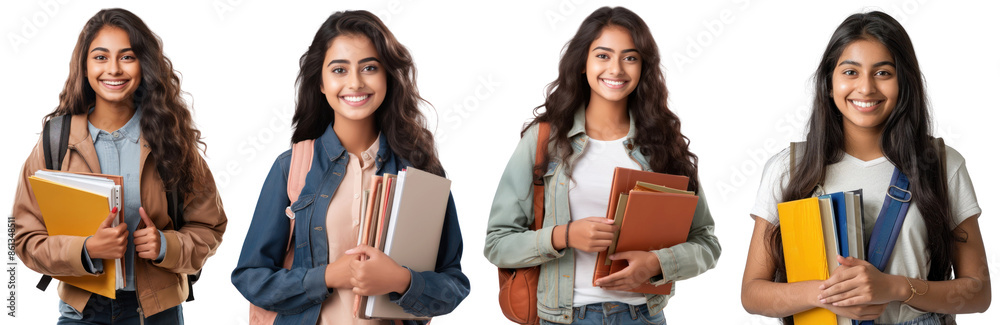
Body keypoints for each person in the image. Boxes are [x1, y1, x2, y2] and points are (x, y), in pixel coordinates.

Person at [740, 11, 990, 324]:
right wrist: (829, 295)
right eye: (850, 72)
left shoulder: (940, 164)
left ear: (904, 82)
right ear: (830, 84)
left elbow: (978, 293)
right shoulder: (790, 169)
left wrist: (897, 287)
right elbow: (752, 294)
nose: (866, 88)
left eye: (883, 73)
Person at [484, 6, 721, 325]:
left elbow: (706, 241)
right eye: (603, 55)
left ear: (643, 66)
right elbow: (498, 243)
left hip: (642, 316)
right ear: (583, 63)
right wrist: (564, 235)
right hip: (563, 318)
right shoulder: (544, 140)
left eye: (630, 57)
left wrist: (656, 262)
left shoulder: (664, 144)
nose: (617, 69)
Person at [231, 10, 469, 324]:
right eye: (339, 70)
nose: (355, 83)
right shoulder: (292, 168)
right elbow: (250, 277)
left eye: (369, 67)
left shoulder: (422, 173)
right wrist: (328, 276)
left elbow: (453, 284)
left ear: (388, 76)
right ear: (321, 82)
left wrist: (400, 280)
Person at [12, 8, 227, 324]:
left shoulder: (172, 140)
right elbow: (21, 237)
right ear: (84, 67)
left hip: (157, 312)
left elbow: (210, 226)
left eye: (127, 57)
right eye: (100, 57)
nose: (113, 69)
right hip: (82, 313)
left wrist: (165, 245)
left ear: (144, 65)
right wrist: (87, 249)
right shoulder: (55, 141)